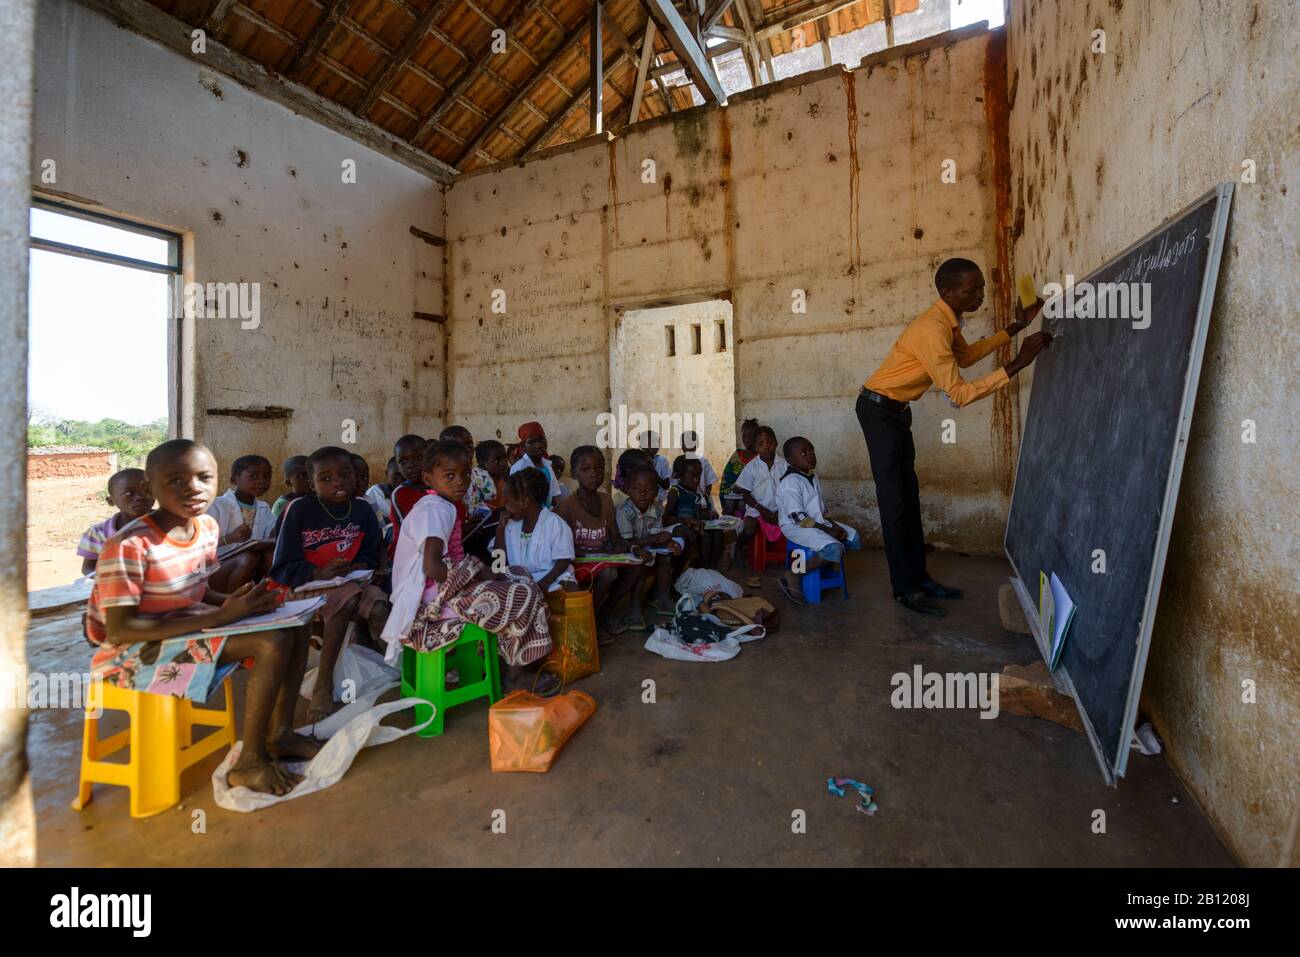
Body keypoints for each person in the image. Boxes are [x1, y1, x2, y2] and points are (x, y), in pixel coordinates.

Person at [86, 439, 318, 796]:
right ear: (151, 489)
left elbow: (198, 591)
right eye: (176, 480)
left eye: (203, 478)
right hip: (130, 652)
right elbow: (120, 629)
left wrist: (241, 603)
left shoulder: (205, 528)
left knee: (295, 624)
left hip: (186, 627)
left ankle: (281, 735)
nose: (193, 488)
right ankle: (250, 763)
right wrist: (225, 617)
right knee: (270, 641)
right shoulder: (130, 545)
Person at [858, 258, 1050, 615]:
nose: (980, 295)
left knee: (909, 498)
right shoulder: (932, 328)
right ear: (947, 292)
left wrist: (1015, 327)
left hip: (895, 412)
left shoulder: (948, 322)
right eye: (972, 289)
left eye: (981, 287)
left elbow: (966, 356)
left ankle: (919, 578)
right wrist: (1018, 363)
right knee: (895, 503)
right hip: (878, 412)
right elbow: (958, 394)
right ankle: (904, 588)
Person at [381, 441, 559, 695]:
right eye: (450, 476)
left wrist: (481, 573)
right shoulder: (436, 510)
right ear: (428, 478)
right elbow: (432, 567)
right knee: (523, 593)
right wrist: (477, 572)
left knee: (517, 576)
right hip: (434, 600)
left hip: (440, 591)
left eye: (465, 475)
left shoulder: (441, 505)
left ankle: (506, 660)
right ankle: (515, 675)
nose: (460, 482)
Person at [269, 446, 388, 722]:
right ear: (311, 484)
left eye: (345, 474)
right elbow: (283, 566)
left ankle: (398, 665)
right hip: (304, 586)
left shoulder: (362, 510)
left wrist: (360, 565)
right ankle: (324, 683)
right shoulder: (299, 509)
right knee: (346, 600)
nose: (337, 482)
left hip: (350, 583)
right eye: (325, 478)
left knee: (380, 606)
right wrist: (319, 572)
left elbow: (371, 554)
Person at [554, 446, 640, 643]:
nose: (594, 474)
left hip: (601, 558)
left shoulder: (606, 500)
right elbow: (563, 550)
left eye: (599, 468)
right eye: (585, 469)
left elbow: (615, 537)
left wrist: (624, 548)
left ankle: (604, 613)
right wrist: (601, 552)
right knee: (610, 573)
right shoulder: (567, 507)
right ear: (574, 473)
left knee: (635, 568)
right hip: (578, 562)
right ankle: (589, 620)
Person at [777, 437, 862, 605]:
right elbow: (797, 517)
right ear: (790, 460)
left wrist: (835, 526)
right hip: (796, 526)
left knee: (853, 538)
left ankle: (823, 567)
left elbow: (821, 511)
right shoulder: (790, 482)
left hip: (817, 522)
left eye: (811, 451)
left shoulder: (812, 477)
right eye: (803, 453)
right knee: (833, 548)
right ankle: (795, 573)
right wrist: (828, 530)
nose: (810, 455)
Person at [616, 465, 683, 622]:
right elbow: (626, 542)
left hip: (645, 546)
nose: (643, 494)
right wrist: (654, 540)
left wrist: (667, 544)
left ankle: (662, 597)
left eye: (649, 489)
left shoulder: (658, 509)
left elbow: (656, 536)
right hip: (625, 550)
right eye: (636, 488)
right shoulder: (624, 511)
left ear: (657, 491)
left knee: (665, 558)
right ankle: (634, 606)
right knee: (642, 562)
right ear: (628, 489)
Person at [496, 467, 578, 593]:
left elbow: (563, 561)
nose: (504, 507)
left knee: (570, 588)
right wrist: (500, 530)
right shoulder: (509, 525)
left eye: (508, 502)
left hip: (552, 579)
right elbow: (498, 564)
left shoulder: (554, 523)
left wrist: (545, 583)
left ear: (525, 502)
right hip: (521, 582)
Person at [206, 454, 277, 592]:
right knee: (248, 557)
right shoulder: (215, 506)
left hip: (251, 570)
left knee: (271, 554)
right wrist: (229, 539)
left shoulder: (264, 508)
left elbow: (270, 535)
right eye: (254, 476)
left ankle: (266, 593)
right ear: (234, 479)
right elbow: (196, 546)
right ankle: (234, 604)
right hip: (213, 571)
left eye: (267, 476)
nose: (262, 481)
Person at [732, 425, 786, 583]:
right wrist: (761, 510)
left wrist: (780, 510)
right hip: (756, 507)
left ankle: (787, 555)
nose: (766, 446)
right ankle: (739, 547)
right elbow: (745, 493)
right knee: (749, 528)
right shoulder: (751, 467)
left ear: (776, 443)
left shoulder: (784, 465)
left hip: (780, 508)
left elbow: (789, 491)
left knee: (795, 523)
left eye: (770, 442)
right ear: (756, 447)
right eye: (761, 443)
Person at [77, 468, 154, 576]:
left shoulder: (169, 525)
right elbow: (88, 568)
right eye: (129, 493)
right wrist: (111, 579)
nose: (139, 497)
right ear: (111, 501)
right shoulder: (98, 533)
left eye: (147, 490)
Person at [665, 455, 722, 569]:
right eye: (691, 476)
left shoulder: (696, 494)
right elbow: (665, 518)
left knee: (717, 533)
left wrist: (708, 514)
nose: (696, 480)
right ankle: (704, 567)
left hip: (694, 525)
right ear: (679, 476)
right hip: (680, 527)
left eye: (698, 476)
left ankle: (712, 566)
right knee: (705, 535)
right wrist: (685, 520)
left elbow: (697, 514)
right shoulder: (675, 492)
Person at [508, 421, 566, 505]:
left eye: (542, 440)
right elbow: (515, 499)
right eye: (532, 442)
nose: (539, 445)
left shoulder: (548, 466)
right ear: (523, 446)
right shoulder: (519, 468)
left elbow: (555, 496)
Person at [389, 434, 430, 547]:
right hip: (411, 553)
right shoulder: (401, 494)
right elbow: (416, 533)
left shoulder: (441, 487)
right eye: (403, 461)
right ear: (397, 466)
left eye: (418, 458)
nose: (411, 465)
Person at [719, 418, 760, 516]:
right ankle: (729, 528)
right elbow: (726, 479)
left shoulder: (761, 457)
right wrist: (735, 489)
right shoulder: (736, 456)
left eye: (752, 436)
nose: (748, 439)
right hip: (733, 494)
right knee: (729, 503)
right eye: (745, 435)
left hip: (752, 497)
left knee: (743, 504)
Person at [680, 430, 718, 505]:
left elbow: (709, 484)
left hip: (702, 500)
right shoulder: (679, 463)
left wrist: (704, 498)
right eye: (686, 444)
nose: (689, 446)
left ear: (696, 445)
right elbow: (674, 484)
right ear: (682, 446)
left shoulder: (703, 461)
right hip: (684, 501)